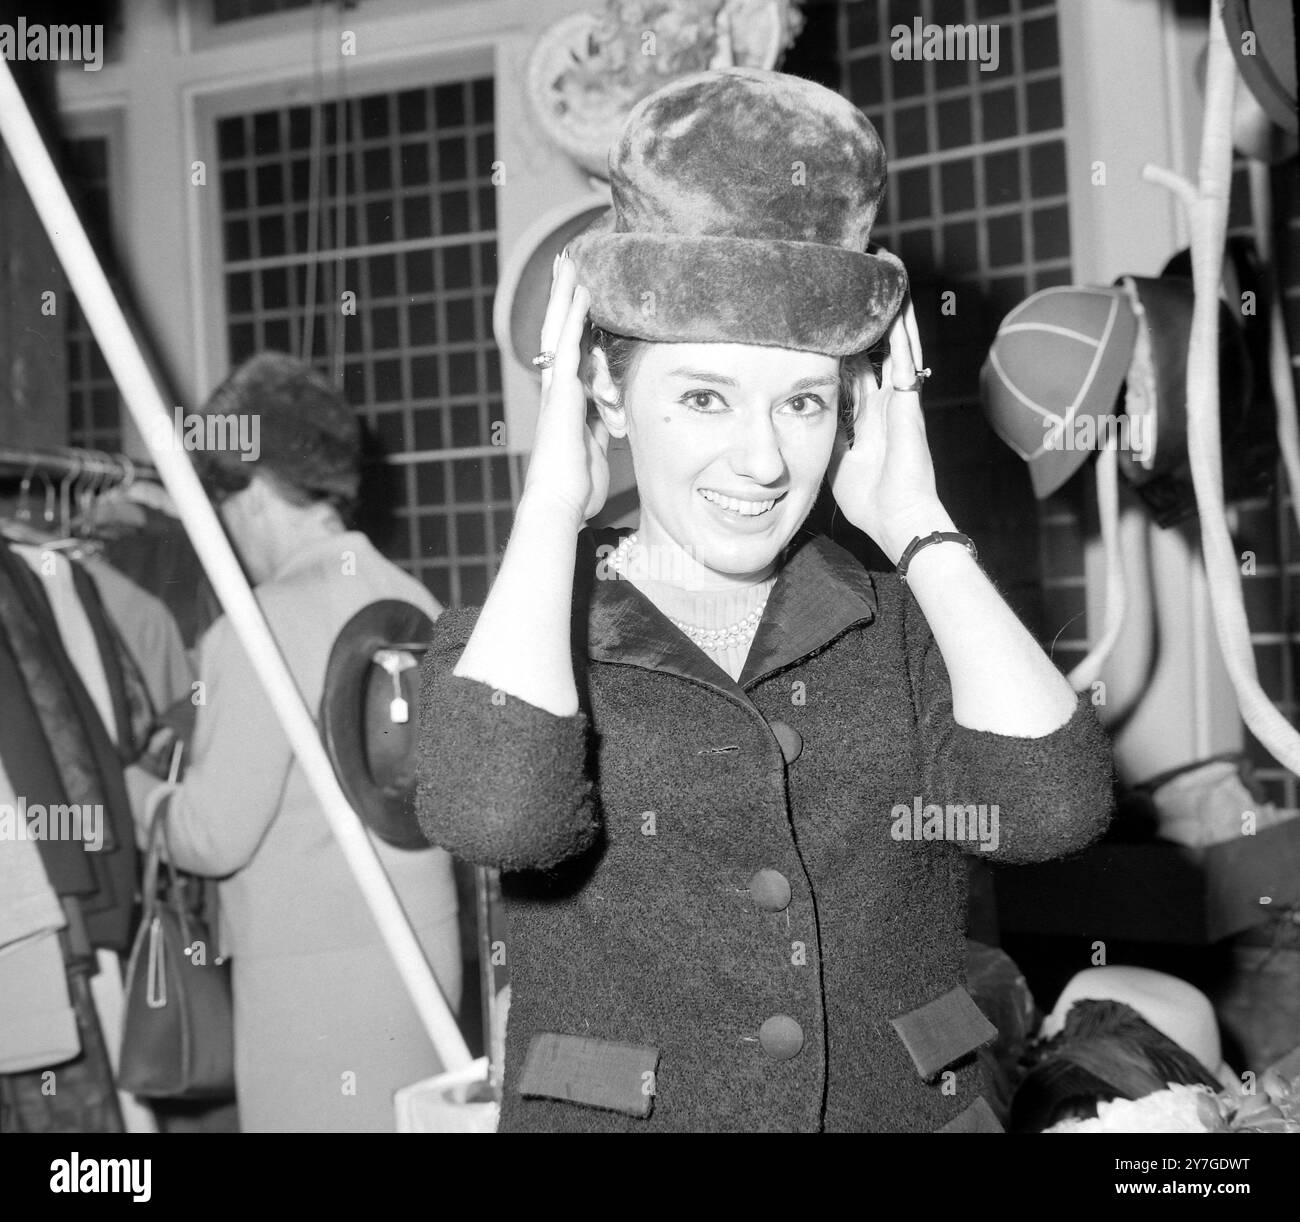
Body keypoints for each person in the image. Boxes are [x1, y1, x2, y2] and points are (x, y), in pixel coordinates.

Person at [416, 68, 1113, 1133]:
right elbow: (503, 817)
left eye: (802, 401)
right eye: (702, 396)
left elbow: (1051, 809)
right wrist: (552, 504)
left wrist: (921, 524)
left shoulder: (908, 623)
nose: (762, 460)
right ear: (603, 388)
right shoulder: (515, 635)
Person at [128, 353, 460, 1133]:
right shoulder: (409, 596)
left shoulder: (262, 623)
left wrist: (126, 787)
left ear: (247, 493)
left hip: (313, 990)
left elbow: (213, 834)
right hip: (425, 960)